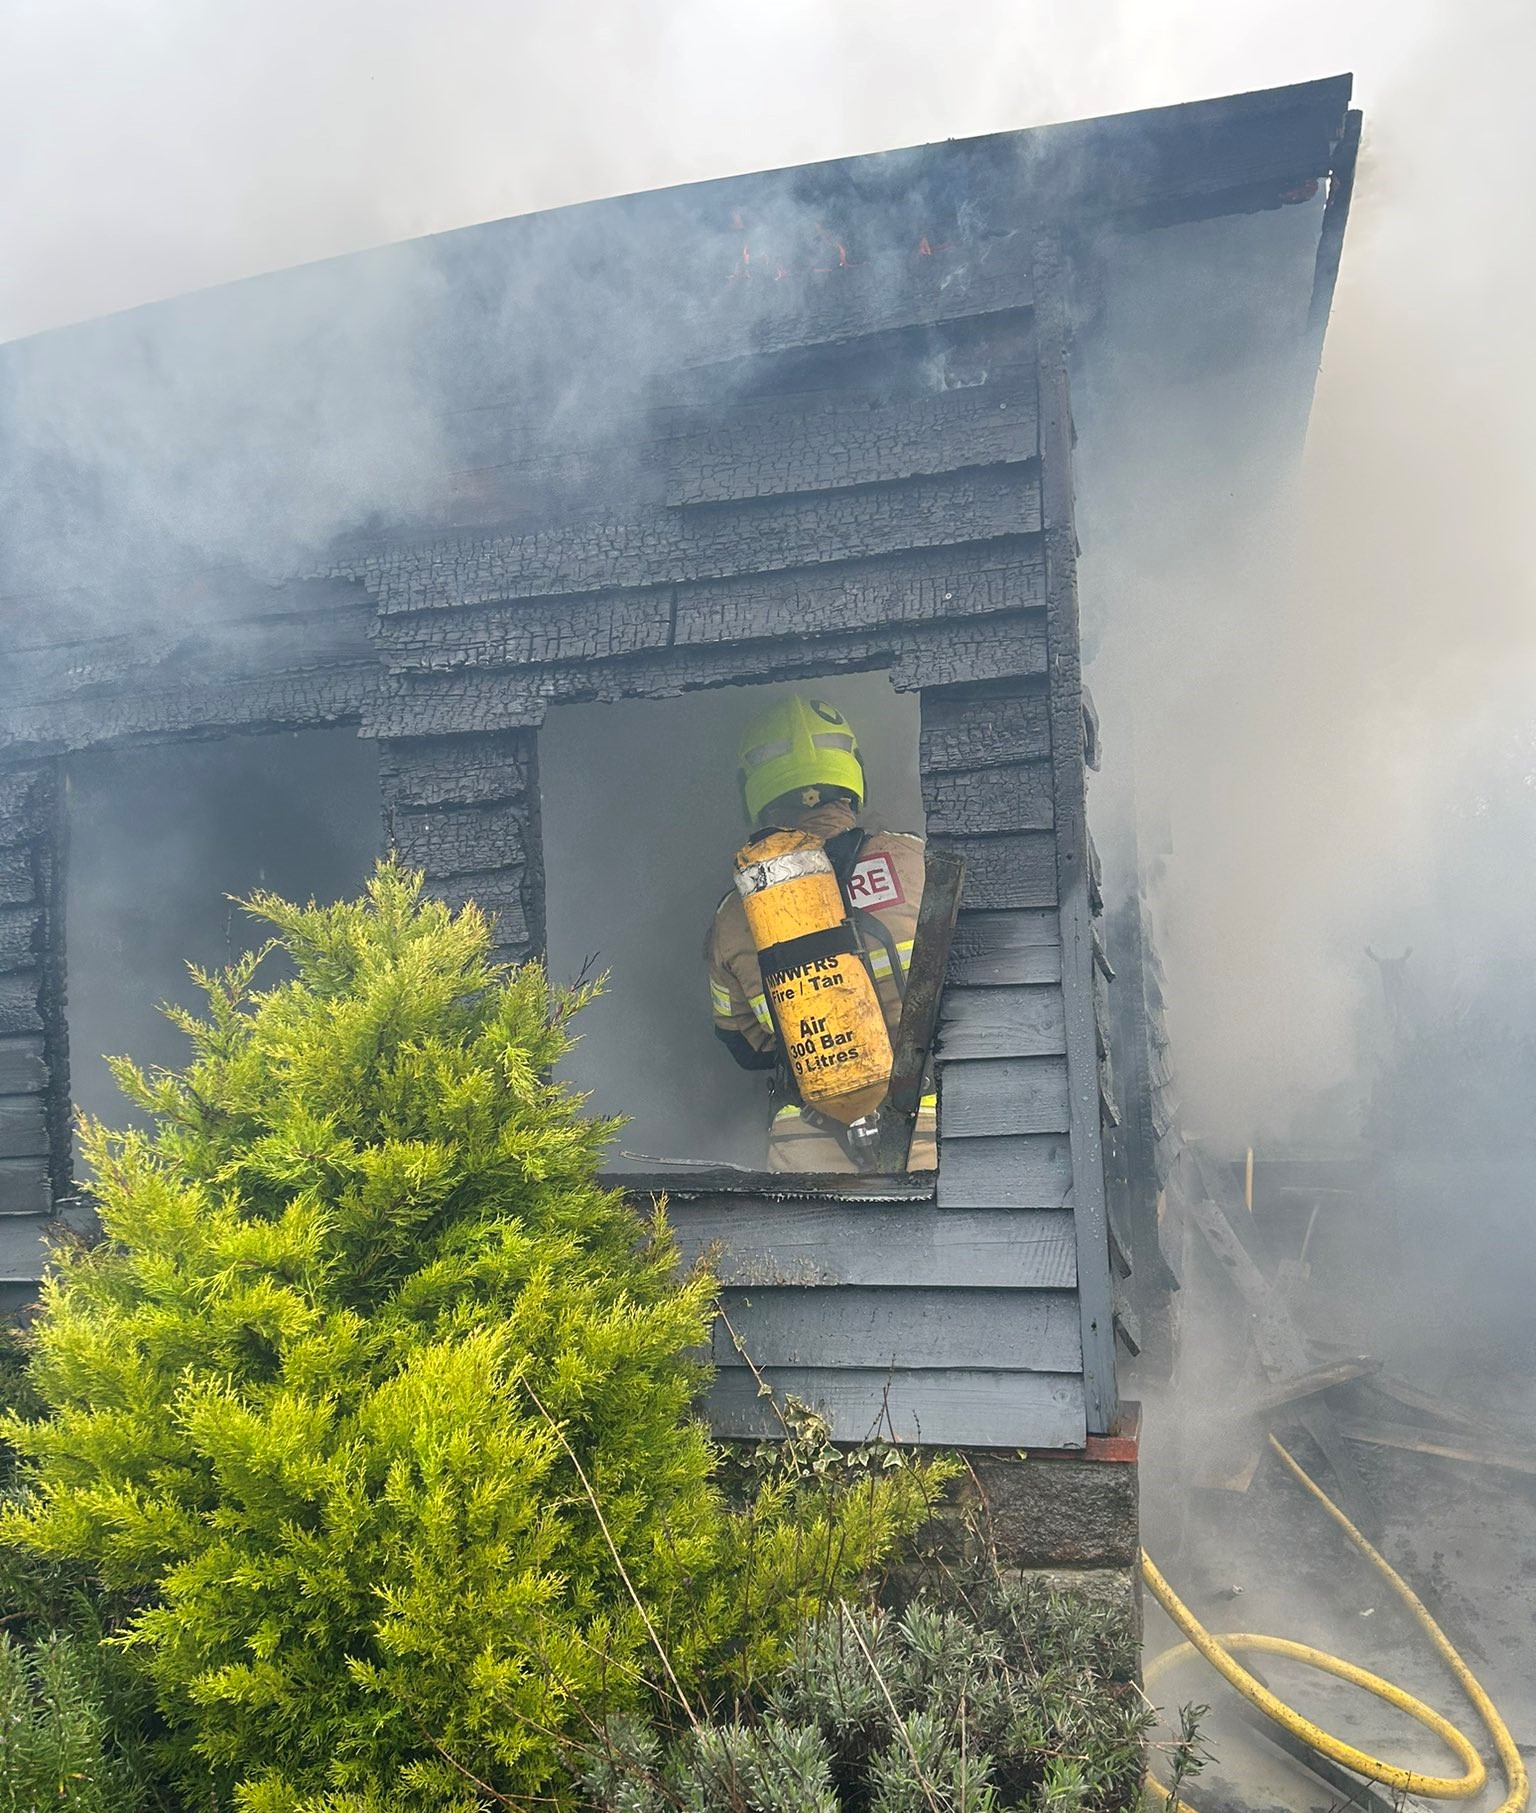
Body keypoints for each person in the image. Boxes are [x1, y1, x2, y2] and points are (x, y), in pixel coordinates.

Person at [705, 693, 937, 1173]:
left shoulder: (734, 914)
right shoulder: (916, 861)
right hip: (928, 1126)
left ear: (755, 790)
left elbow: (745, 1046)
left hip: (806, 1142)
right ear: (851, 776)